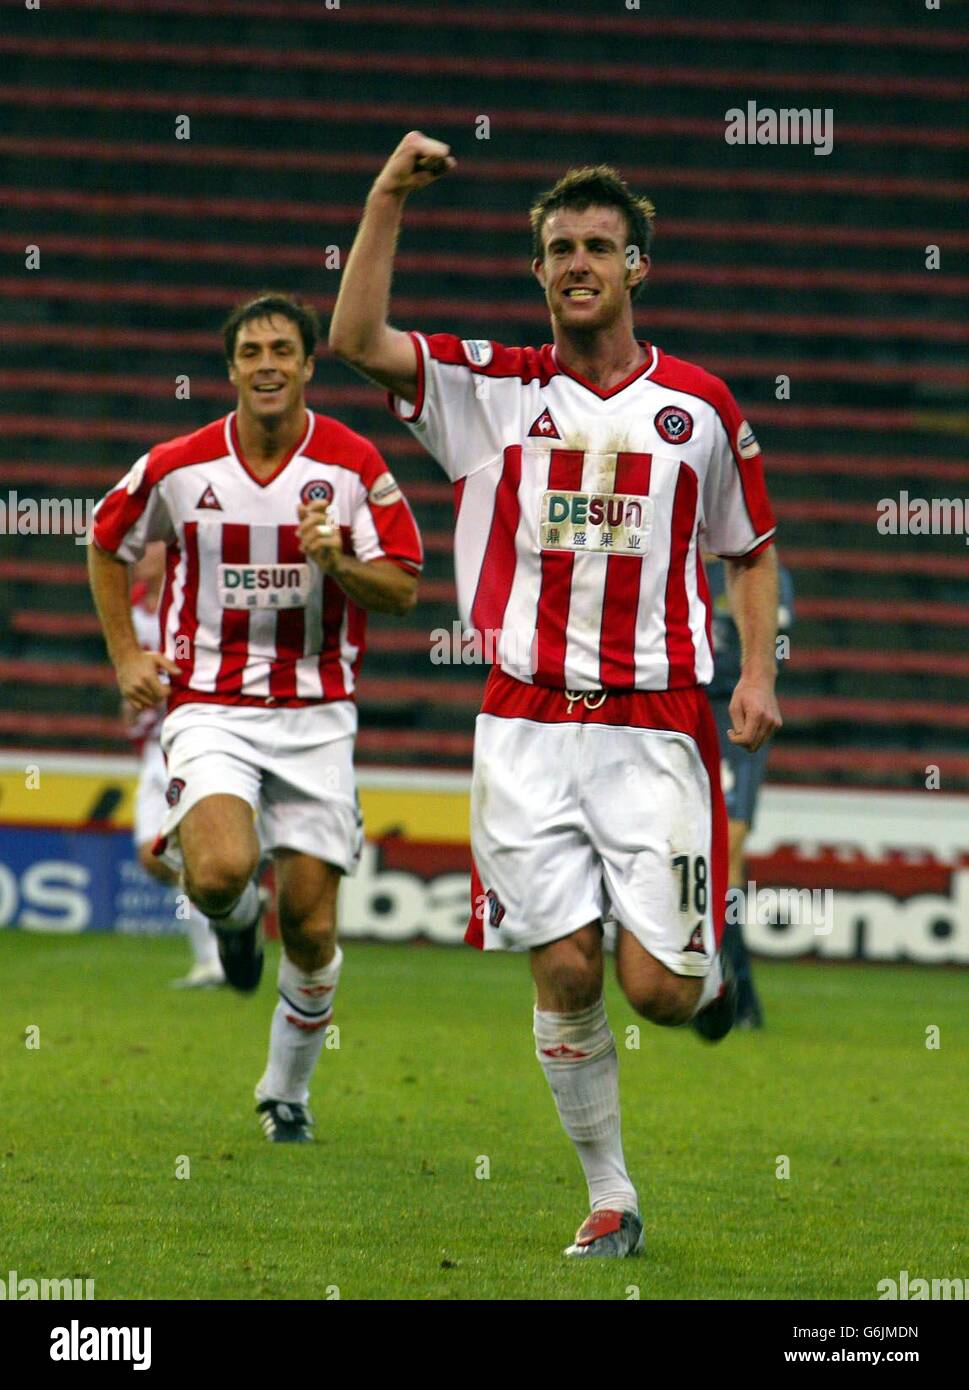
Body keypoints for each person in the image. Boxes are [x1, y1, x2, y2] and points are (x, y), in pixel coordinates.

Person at [329, 133, 782, 1255]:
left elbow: (752, 549)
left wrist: (758, 673)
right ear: (538, 273)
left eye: (599, 246)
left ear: (637, 267)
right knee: (566, 965)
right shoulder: (493, 390)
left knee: (662, 991)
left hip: (659, 726)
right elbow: (353, 339)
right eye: (558, 248)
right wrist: (387, 192)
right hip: (526, 722)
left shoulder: (702, 407)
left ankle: (701, 967)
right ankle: (612, 1197)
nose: (578, 261)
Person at [88, 293, 423, 1143]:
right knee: (218, 873)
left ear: (310, 363)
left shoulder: (351, 465)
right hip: (210, 704)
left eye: (283, 349)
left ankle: (285, 1094)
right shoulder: (179, 464)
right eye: (251, 351)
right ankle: (233, 930)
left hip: (317, 713)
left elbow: (404, 588)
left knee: (310, 927)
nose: (267, 363)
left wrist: (336, 558)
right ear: (231, 367)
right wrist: (128, 655)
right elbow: (104, 539)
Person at [126, 542, 224, 988]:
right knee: (152, 856)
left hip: (188, 743)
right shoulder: (131, 609)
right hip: (152, 748)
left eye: (147, 548)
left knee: (189, 851)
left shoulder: (189, 605)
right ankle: (232, 903)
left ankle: (213, 960)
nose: (138, 556)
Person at [706, 556, 795, 1029]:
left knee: (730, 842)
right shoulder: (675, 563)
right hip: (683, 712)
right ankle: (733, 992)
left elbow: (772, 644)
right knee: (710, 854)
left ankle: (730, 987)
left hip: (737, 716)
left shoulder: (762, 573)